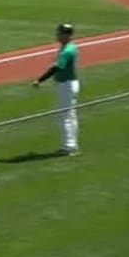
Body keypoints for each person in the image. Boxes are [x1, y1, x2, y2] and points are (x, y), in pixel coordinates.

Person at [31, 23, 80, 157]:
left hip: (66, 86)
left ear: (66, 35)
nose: (57, 35)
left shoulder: (67, 51)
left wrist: (39, 80)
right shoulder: (69, 47)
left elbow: (57, 68)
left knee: (63, 117)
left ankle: (68, 147)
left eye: (60, 33)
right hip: (68, 84)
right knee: (70, 116)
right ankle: (72, 145)